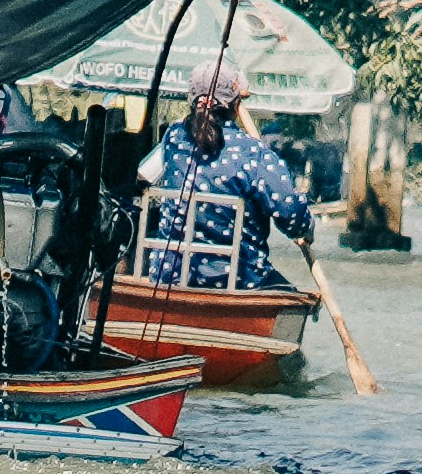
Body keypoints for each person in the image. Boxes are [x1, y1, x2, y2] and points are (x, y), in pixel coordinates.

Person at [133, 61, 318, 297]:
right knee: (295, 296)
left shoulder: (173, 138)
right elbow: (291, 211)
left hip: (170, 275)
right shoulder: (254, 153)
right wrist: (306, 229)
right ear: (236, 104)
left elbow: (142, 176)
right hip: (239, 279)